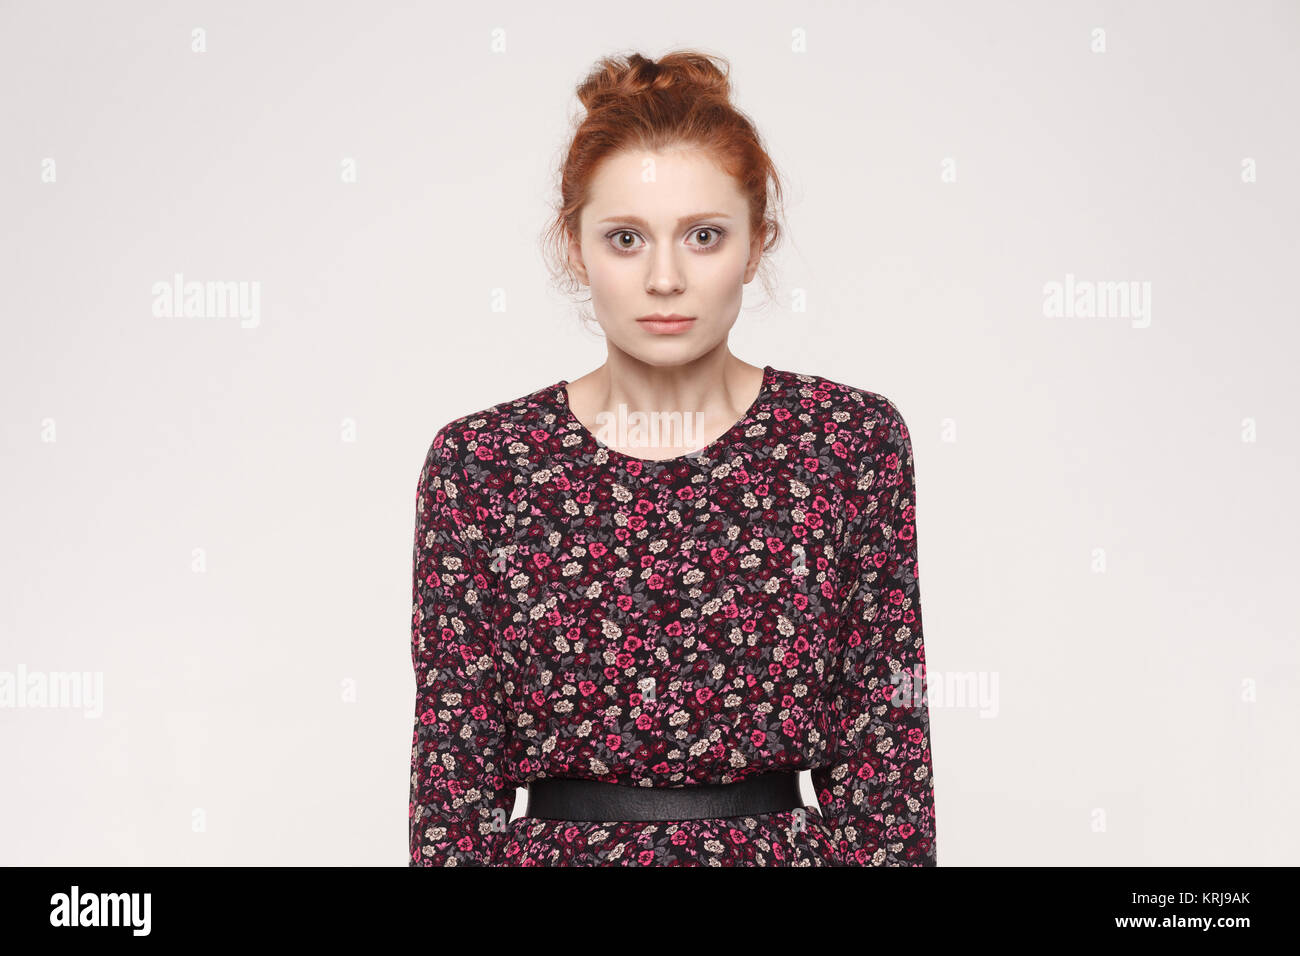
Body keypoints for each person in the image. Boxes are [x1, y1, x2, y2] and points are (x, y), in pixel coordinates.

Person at [408, 49, 937, 866]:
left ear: (757, 244)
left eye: (703, 236)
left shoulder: (846, 443)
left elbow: (887, 759)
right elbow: (453, 780)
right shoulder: (484, 464)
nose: (664, 278)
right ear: (575, 248)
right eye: (626, 238)